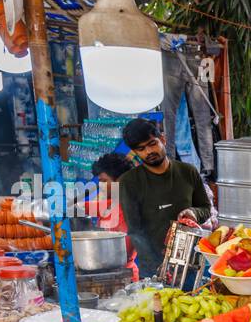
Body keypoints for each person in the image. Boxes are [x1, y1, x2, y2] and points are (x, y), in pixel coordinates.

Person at [118, 117, 212, 277]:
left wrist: (194, 213)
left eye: (152, 144)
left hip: (192, 263)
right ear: (134, 152)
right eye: (141, 149)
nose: (149, 152)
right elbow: (135, 230)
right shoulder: (129, 181)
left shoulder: (188, 172)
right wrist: (158, 266)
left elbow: (205, 209)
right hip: (153, 268)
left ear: (163, 139)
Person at [90, 152, 139, 279]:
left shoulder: (125, 205)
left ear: (120, 180)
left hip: (124, 278)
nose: (100, 186)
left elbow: (121, 251)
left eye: (104, 181)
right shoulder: (111, 204)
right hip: (110, 274)